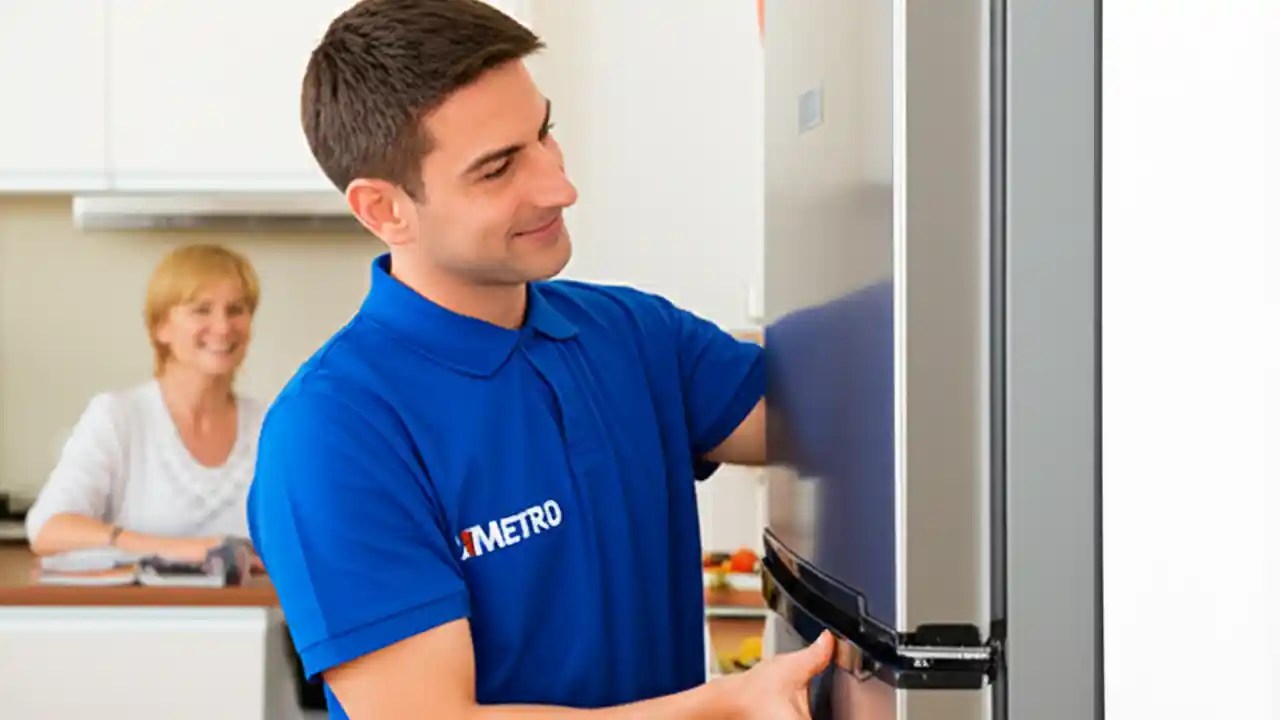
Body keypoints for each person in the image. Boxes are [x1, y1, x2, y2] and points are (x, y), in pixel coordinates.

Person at [246, 1, 833, 718]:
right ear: (384, 209)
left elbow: (843, 421)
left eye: (544, 134)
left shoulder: (633, 335)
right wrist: (727, 707)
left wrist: (822, 56)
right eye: (498, 169)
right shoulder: (333, 434)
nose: (560, 186)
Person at [26, 244, 265, 563]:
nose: (223, 327)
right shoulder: (118, 416)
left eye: (236, 310)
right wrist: (179, 551)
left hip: (254, 612)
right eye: (201, 310)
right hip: (140, 613)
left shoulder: (270, 424)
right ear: (160, 326)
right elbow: (47, 529)